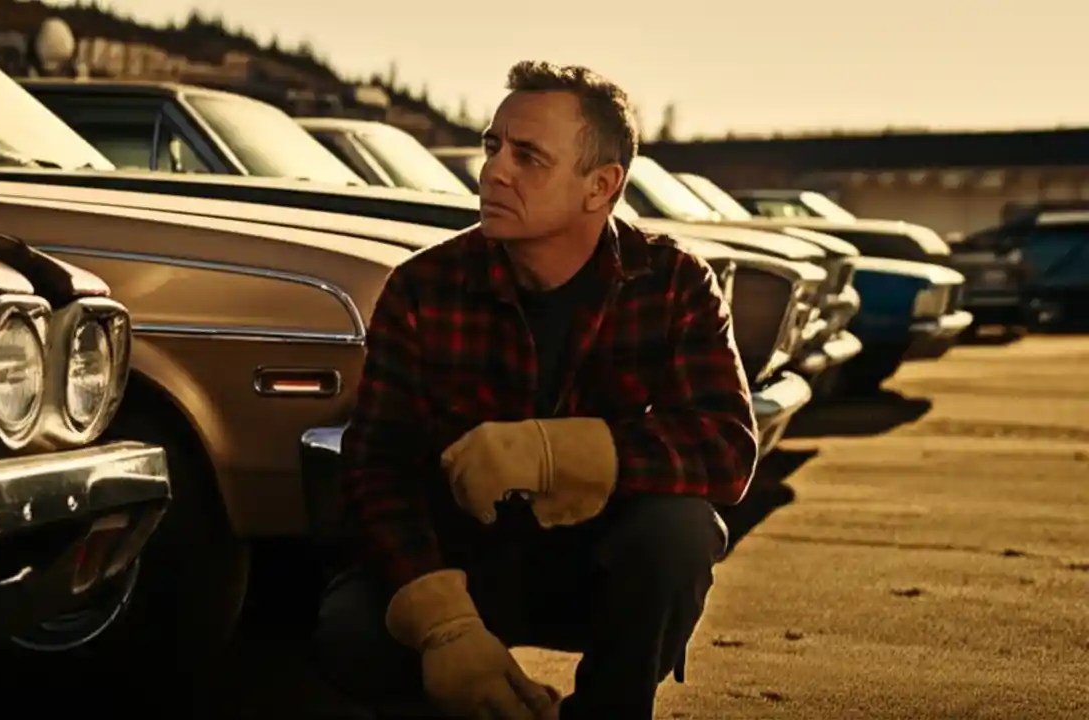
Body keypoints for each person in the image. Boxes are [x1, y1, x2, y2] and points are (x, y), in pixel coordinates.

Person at [313, 60, 760, 720]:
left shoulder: (669, 282)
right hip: (465, 561)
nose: (494, 171)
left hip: (596, 565)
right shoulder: (422, 288)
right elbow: (376, 470)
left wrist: (557, 453)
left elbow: (726, 450)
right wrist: (444, 626)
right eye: (494, 146)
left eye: (529, 157)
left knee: (680, 531)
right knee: (348, 627)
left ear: (600, 185)